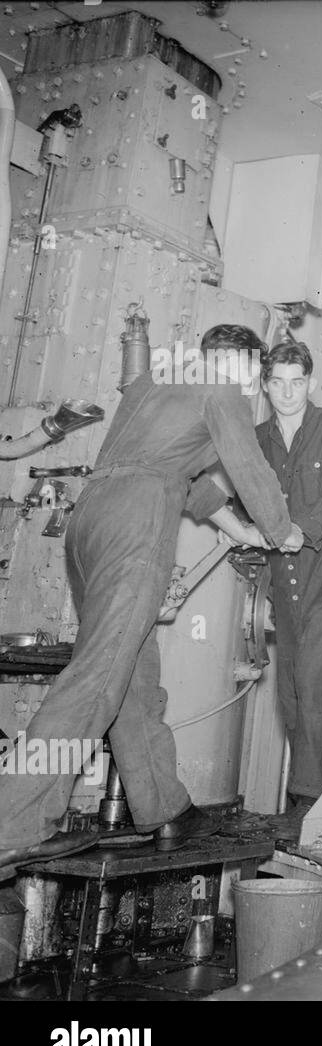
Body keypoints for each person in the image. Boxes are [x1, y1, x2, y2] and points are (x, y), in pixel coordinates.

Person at [0, 325, 302, 882]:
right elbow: (247, 468)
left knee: (131, 674)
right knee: (94, 679)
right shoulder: (222, 387)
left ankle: (166, 809)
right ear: (247, 360)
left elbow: (183, 478)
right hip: (137, 524)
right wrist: (279, 528)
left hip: (93, 517)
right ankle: (12, 823)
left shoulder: (155, 383)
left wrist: (239, 530)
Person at [246, 342, 322, 816]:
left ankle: (309, 806)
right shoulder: (256, 440)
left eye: (296, 381)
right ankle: (314, 804)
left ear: (310, 383)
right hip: (287, 585)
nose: (287, 392)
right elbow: (240, 498)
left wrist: (300, 529)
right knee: (293, 695)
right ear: (265, 384)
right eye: (277, 382)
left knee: (317, 683)